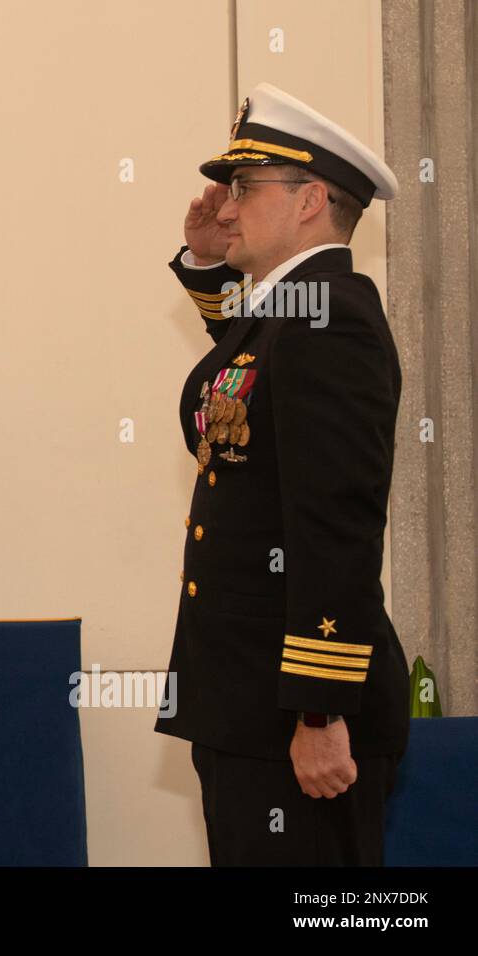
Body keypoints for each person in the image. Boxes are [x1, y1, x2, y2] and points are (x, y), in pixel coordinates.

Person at [154, 83, 410, 865]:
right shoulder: (298, 312)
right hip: (252, 701)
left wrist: (321, 711)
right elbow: (235, 387)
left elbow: (335, 524)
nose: (226, 208)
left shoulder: (330, 320)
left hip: (295, 709)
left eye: (244, 189)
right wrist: (207, 265)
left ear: (310, 201)